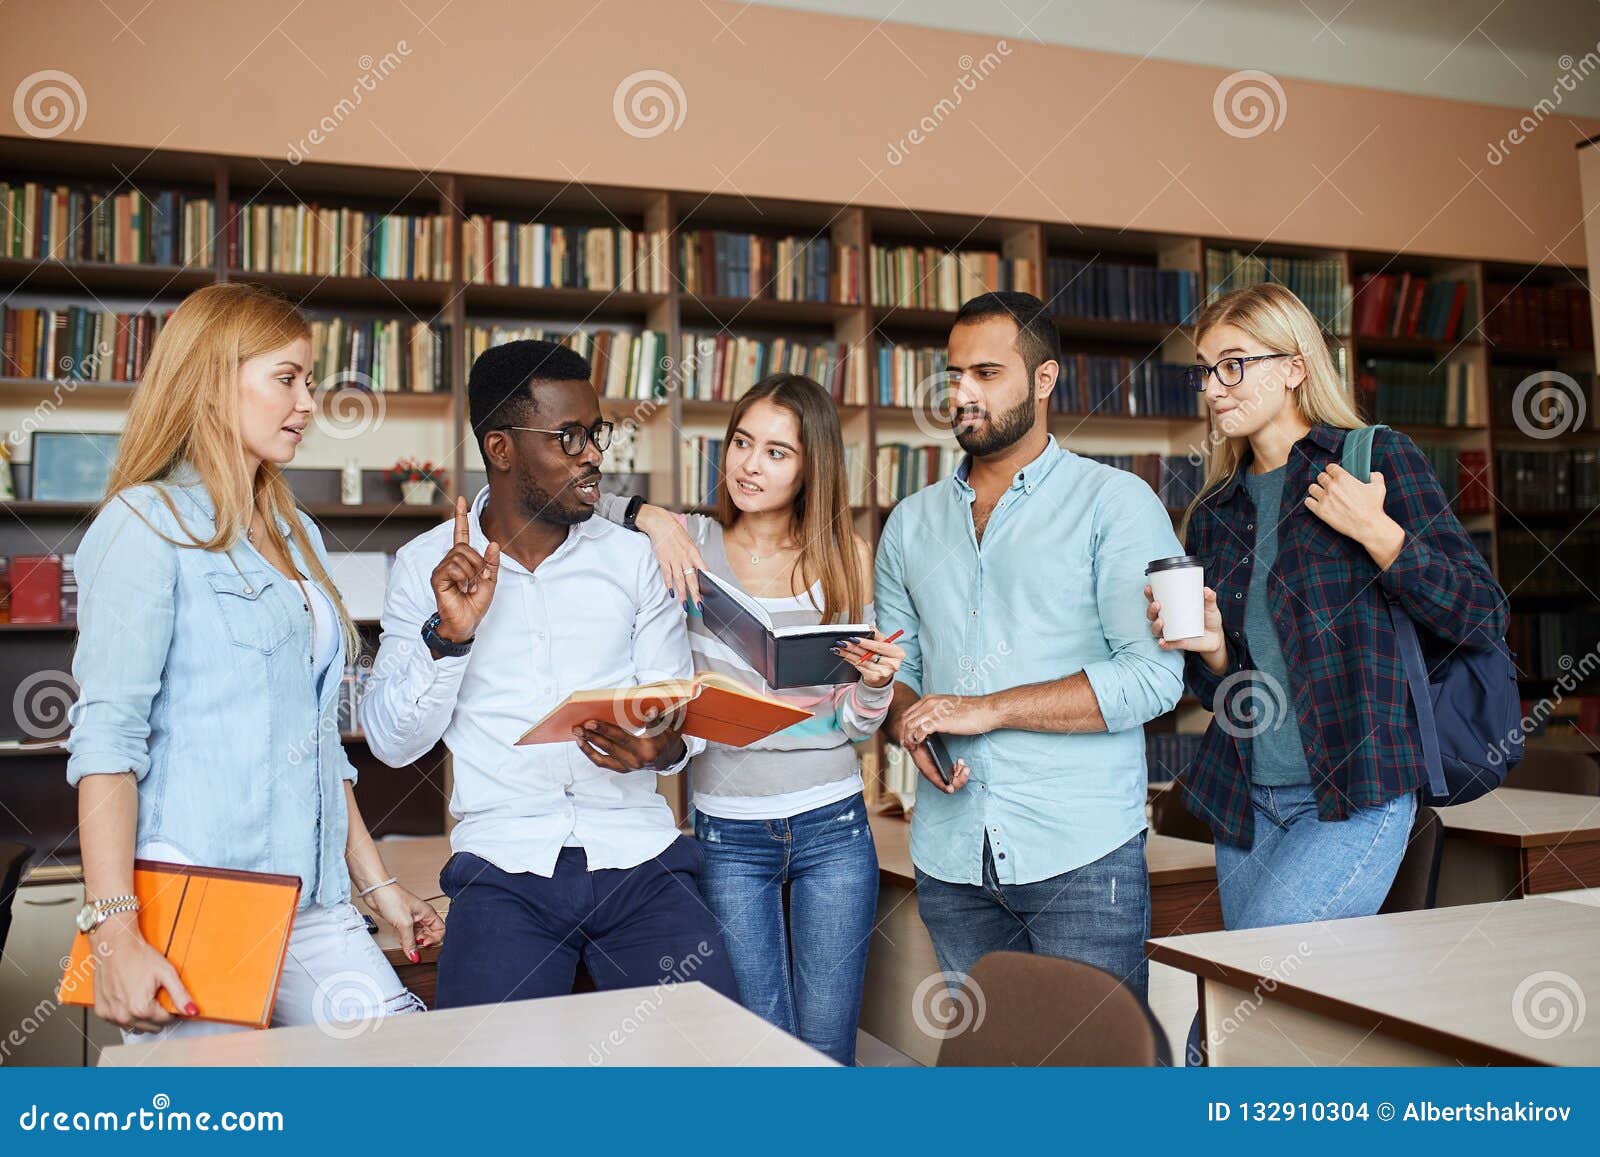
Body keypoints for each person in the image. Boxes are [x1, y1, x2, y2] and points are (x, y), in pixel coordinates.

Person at [66, 283, 439, 1042]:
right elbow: (107, 742)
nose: (308, 402)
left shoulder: (295, 529)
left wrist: (380, 886)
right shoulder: (144, 524)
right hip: (200, 899)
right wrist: (114, 933)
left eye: (311, 379)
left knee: (412, 1078)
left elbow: (318, 743)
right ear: (212, 379)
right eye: (287, 378)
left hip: (316, 900)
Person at [1146, 281, 1508, 1063]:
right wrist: (1209, 650)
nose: (1213, 388)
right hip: (1247, 804)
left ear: (1295, 366)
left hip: (1357, 794)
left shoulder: (1372, 459)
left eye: (1234, 365)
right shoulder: (1216, 510)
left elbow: (1481, 612)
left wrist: (1382, 535)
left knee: (1231, 1015)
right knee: (1275, 1029)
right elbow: (1229, 688)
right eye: (1205, 370)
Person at [359, 339, 737, 1009]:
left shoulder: (632, 559)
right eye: (569, 437)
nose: (593, 454)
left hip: (641, 859)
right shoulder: (424, 568)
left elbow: (679, 719)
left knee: (716, 1054)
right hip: (505, 869)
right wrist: (449, 636)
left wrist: (662, 745)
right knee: (486, 1084)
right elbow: (392, 742)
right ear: (501, 449)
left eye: (596, 433)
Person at [875, 291, 1185, 1003]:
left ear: (1044, 380)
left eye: (986, 373)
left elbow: (1153, 679)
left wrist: (986, 709)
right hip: (952, 859)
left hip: (1082, 857)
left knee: (1100, 1087)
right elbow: (901, 674)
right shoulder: (910, 524)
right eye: (953, 375)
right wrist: (907, 720)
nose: (961, 394)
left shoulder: (1116, 502)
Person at [594, 372, 904, 1065]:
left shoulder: (845, 557)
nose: (749, 464)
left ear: (810, 467)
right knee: (760, 1051)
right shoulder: (689, 540)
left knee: (826, 1051)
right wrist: (648, 515)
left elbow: (853, 724)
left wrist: (877, 687)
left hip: (834, 825)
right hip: (728, 831)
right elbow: (572, 499)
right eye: (741, 442)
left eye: (776, 452)